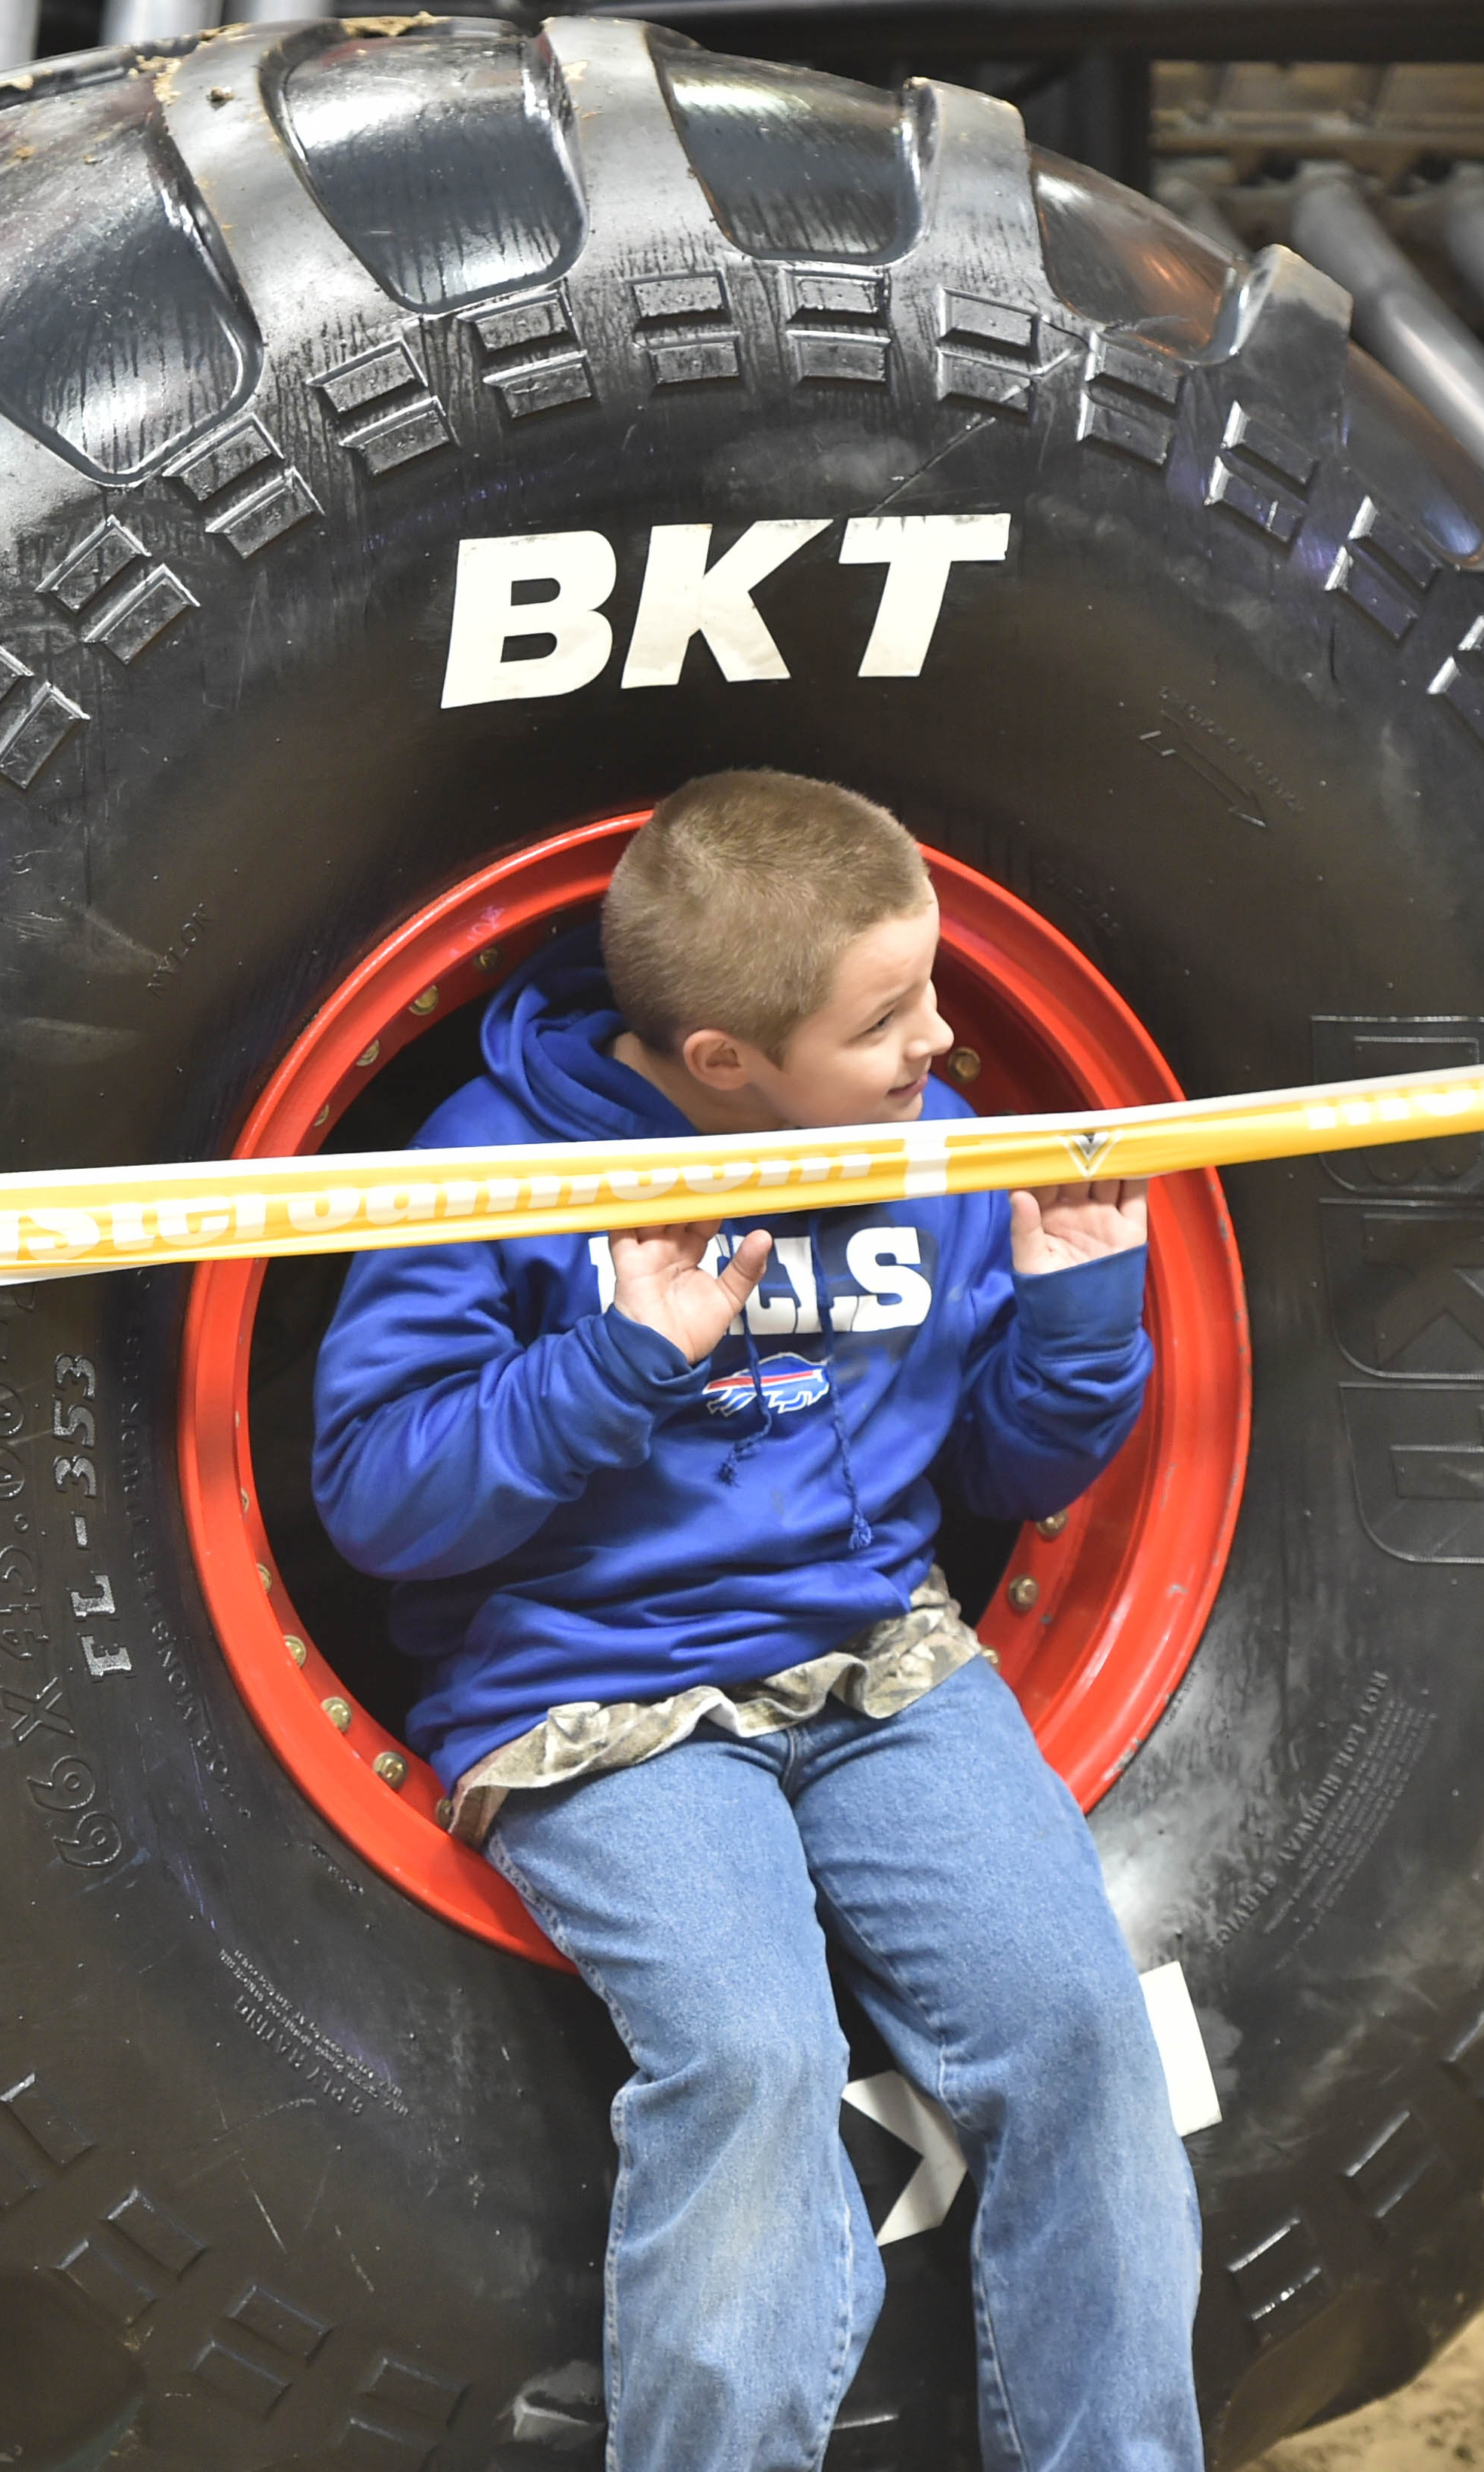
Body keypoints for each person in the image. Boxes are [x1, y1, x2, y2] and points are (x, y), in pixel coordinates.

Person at [311, 772, 1203, 2472]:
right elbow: (376, 1495)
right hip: (599, 1696)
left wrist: (1083, 1315)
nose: (938, 1039)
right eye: (886, 1018)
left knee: (1086, 2029)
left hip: (882, 1662)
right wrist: (614, 1363)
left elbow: (1009, 1453)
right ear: (724, 1057)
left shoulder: (935, 1149)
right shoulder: (493, 1167)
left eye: (930, 987)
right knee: (755, 2055)